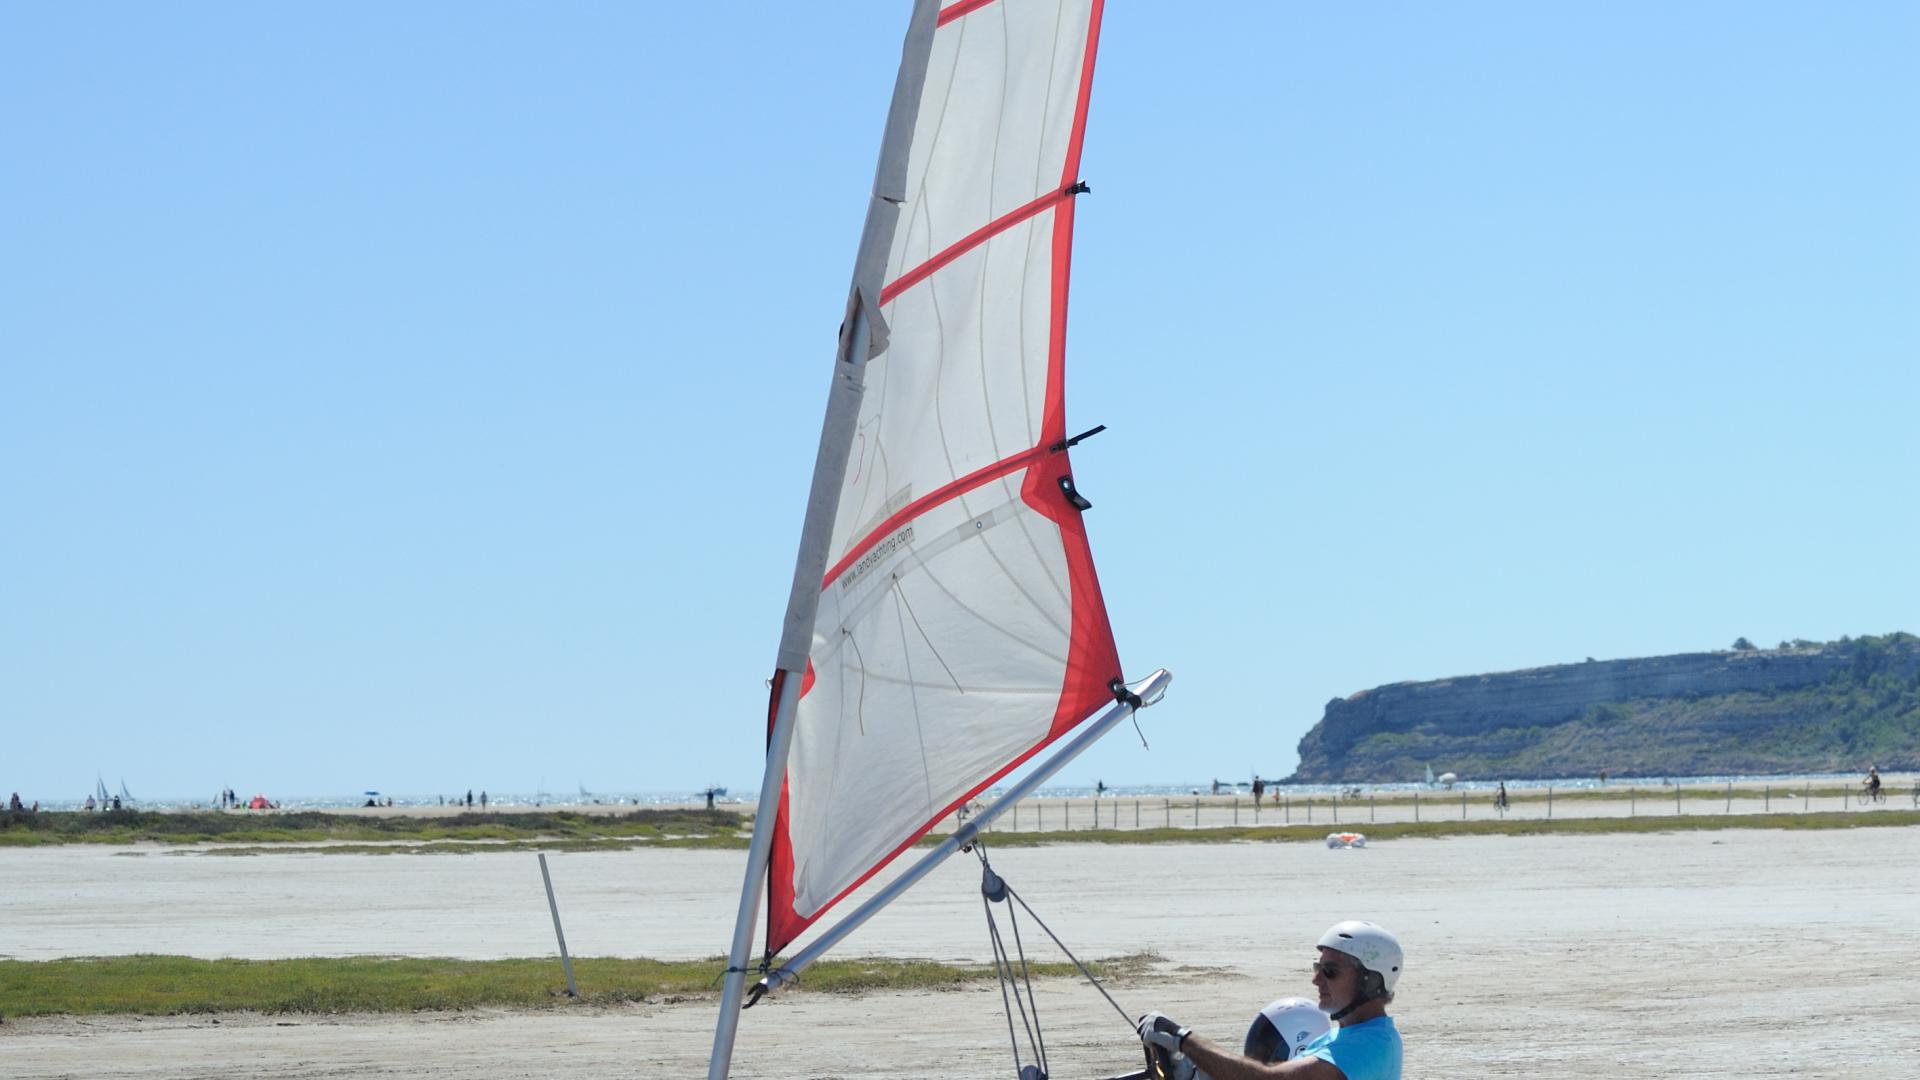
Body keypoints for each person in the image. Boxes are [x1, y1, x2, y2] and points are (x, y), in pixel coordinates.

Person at [1137, 921, 1403, 1079]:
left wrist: (1185, 1040)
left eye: (1330, 971)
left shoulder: (1371, 1045)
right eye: (1316, 968)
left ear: (1370, 980)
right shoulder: (1337, 1038)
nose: (1316, 980)